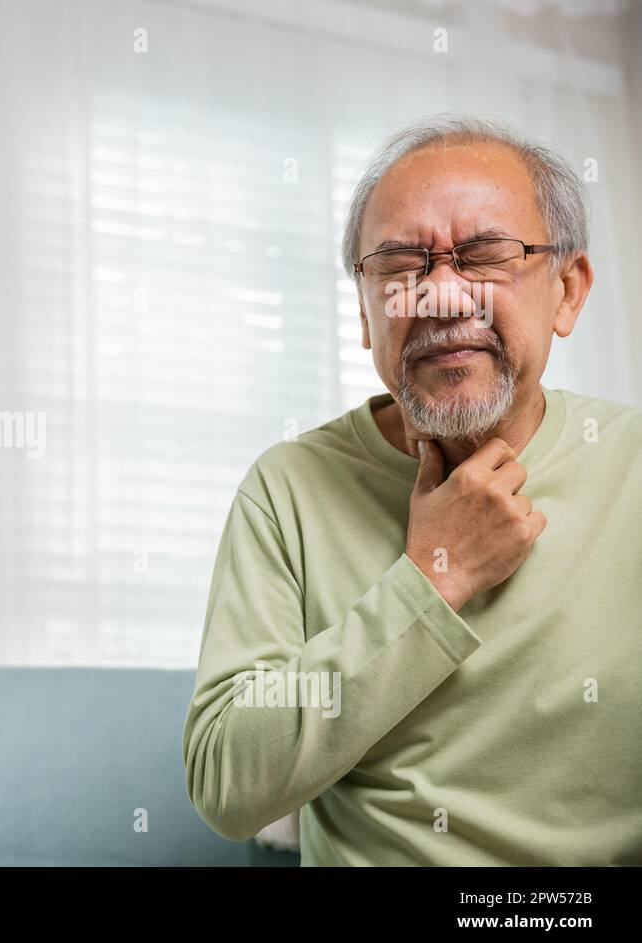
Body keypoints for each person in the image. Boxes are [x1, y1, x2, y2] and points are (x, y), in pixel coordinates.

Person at [183, 114, 642, 865]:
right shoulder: (287, 488)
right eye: (399, 265)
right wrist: (435, 580)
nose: (439, 296)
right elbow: (229, 790)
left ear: (567, 290)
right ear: (364, 312)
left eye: (486, 254)